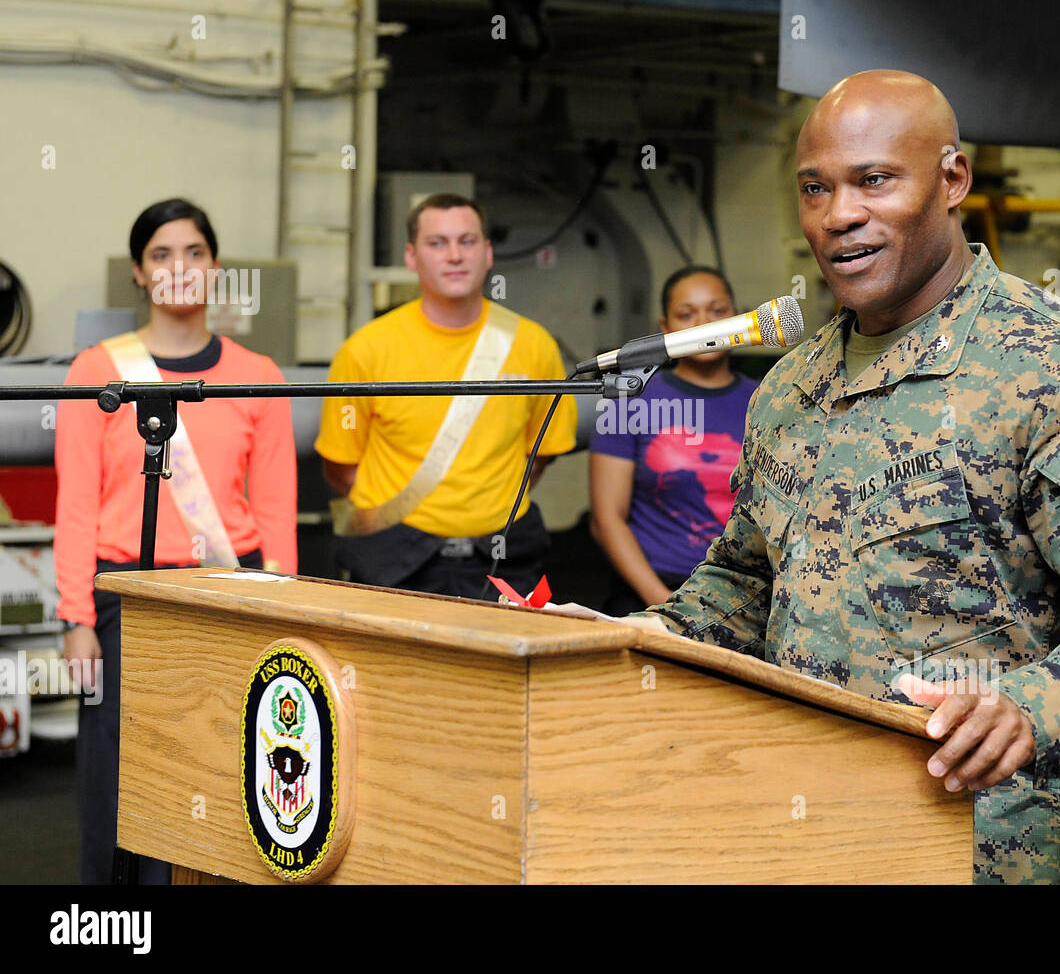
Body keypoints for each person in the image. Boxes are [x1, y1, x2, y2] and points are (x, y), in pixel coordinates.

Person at [626, 71, 1060, 884]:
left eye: (874, 180)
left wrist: (1037, 709)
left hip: (980, 847)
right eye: (815, 189)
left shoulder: (1055, 371)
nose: (839, 216)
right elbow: (745, 581)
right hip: (797, 835)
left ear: (952, 180)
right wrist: (638, 639)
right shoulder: (789, 391)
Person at [56, 198, 298, 884]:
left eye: (194, 253)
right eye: (161, 255)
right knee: (113, 773)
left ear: (216, 268)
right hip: (121, 598)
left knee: (220, 767)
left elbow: (278, 508)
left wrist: (280, 607)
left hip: (228, 594)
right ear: (138, 273)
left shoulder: (260, 373)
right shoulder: (94, 370)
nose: (179, 268)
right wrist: (76, 618)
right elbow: (76, 504)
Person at [316, 193, 577, 599]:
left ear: (488, 253)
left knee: (507, 663)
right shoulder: (364, 350)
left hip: (503, 555)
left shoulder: (534, 345)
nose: (454, 255)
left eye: (467, 241)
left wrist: (484, 501)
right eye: (437, 243)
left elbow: (542, 452)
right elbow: (339, 466)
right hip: (391, 556)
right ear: (410, 256)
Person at [589, 266, 759, 615]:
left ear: (738, 319)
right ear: (665, 327)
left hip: (743, 597)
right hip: (650, 593)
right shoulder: (628, 399)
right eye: (686, 314)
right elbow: (607, 519)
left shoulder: (767, 400)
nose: (705, 324)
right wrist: (667, 605)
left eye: (717, 311)